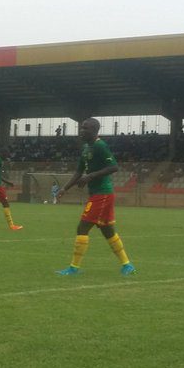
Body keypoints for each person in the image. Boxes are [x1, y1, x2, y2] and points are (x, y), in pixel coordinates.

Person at [54, 118, 136, 275]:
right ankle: (127, 265)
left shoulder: (100, 146)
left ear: (94, 131)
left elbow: (114, 167)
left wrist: (91, 176)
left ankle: (73, 268)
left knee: (82, 227)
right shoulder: (86, 148)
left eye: (85, 128)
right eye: (81, 127)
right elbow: (79, 172)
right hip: (98, 194)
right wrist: (65, 188)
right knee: (108, 231)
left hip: (103, 194)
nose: (81, 131)